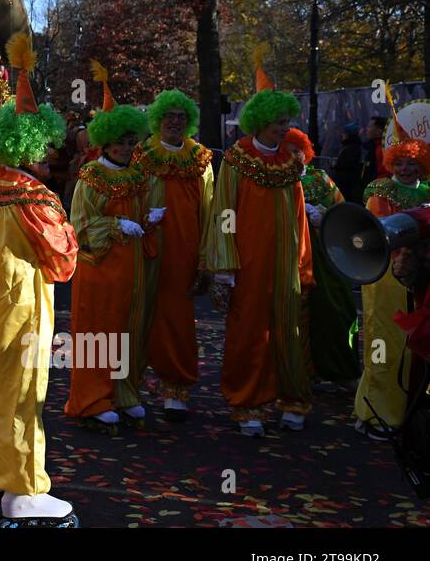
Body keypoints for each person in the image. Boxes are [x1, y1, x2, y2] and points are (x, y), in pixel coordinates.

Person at [0, 34, 79, 527]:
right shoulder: (36, 200)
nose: (51, 158)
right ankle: (23, 491)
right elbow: (64, 259)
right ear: (26, 150)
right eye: (45, 150)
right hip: (22, 312)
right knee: (22, 394)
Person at [204, 55, 313, 436]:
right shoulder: (237, 160)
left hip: (284, 263)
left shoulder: (290, 163)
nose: (285, 129)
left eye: (287, 121)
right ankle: (248, 403)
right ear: (261, 122)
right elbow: (225, 213)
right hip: (247, 263)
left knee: (289, 328)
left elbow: (298, 215)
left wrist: (303, 264)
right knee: (249, 330)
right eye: (279, 122)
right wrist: (225, 266)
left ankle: (292, 398)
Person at [65, 63, 157, 432]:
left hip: (130, 268)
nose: (125, 148)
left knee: (126, 328)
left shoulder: (137, 175)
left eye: (131, 141)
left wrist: (150, 218)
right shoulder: (91, 176)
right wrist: (118, 224)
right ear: (105, 142)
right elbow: (80, 226)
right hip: (101, 268)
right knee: (98, 332)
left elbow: (138, 220)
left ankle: (124, 392)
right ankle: (92, 397)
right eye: (119, 142)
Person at [134, 89, 212, 422]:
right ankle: (129, 383)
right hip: (146, 247)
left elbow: (210, 209)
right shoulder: (141, 155)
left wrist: (208, 256)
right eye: (170, 116)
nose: (175, 122)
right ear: (158, 120)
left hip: (184, 250)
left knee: (178, 318)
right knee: (140, 313)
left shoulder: (201, 159)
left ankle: (175, 388)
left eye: (181, 117)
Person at [354, 113, 430, 439]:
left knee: (414, 346)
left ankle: (409, 412)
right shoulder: (379, 194)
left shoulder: (427, 193)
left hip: (419, 281)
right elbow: (377, 238)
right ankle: (375, 413)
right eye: (399, 164)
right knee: (383, 343)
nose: (405, 170)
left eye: (411, 164)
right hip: (385, 280)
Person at [296, 130, 361, 386]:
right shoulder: (276, 178)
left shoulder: (320, 178)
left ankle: (340, 370)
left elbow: (340, 209)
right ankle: (301, 372)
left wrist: (326, 218)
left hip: (326, 254)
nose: (294, 156)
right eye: (288, 150)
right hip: (294, 255)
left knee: (337, 308)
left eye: (298, 150)